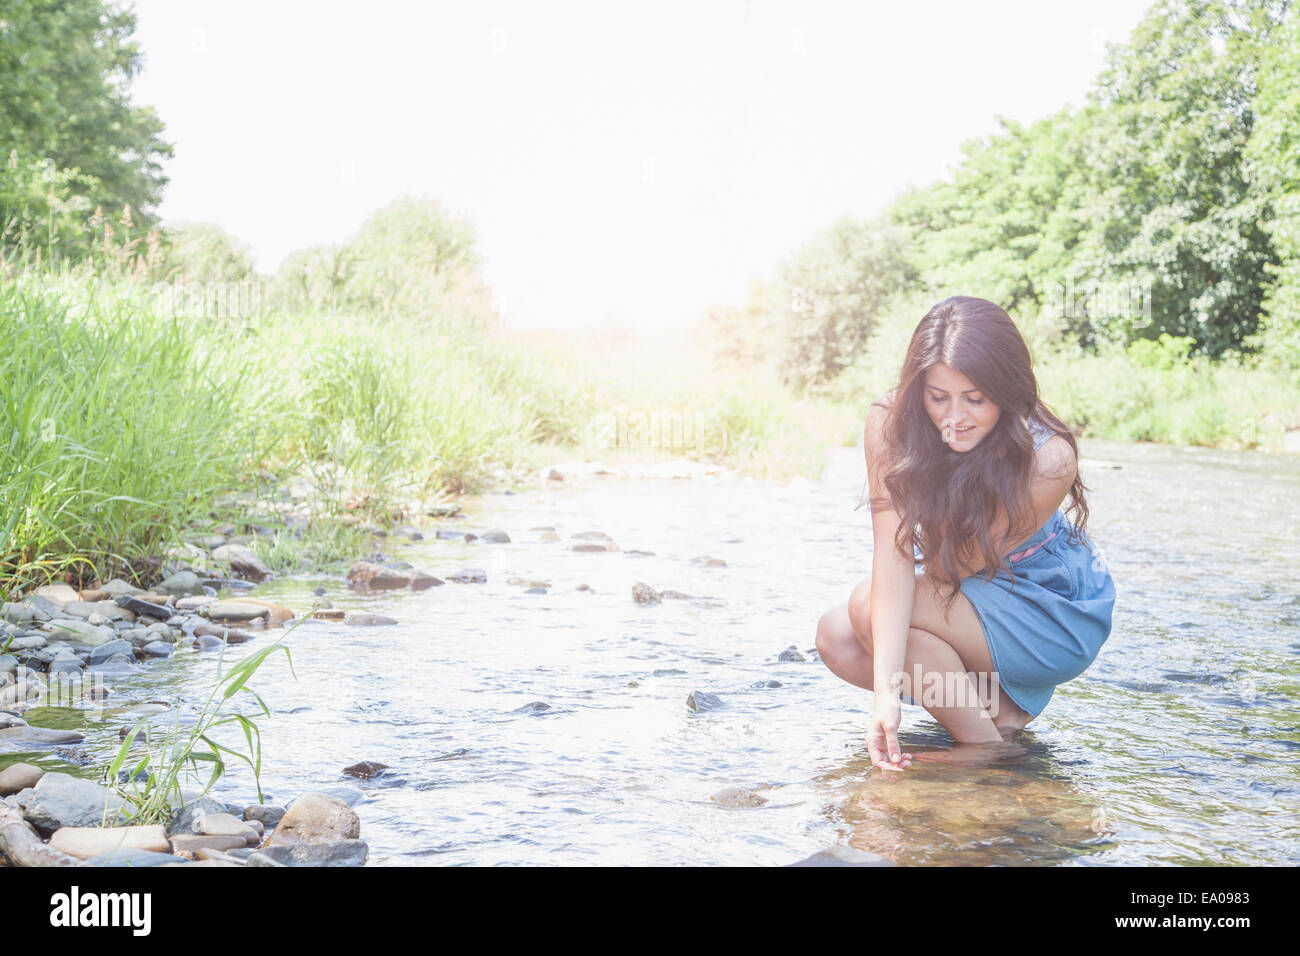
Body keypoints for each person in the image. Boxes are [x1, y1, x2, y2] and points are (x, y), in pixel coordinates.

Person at [815, 296, 1116, 772]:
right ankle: (995, 714)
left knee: (865, 608)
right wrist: (885, 699)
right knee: (837, 635)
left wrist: (945, 464)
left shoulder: (1049, 459)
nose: (955, 418)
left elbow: (949, 566)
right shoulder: (890, 424)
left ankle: (985, 754)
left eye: (975, 399)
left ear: (1007, 389)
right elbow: (892, 557)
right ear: (919, 391)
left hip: (1051, 607)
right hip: (968, 595)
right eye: (938, 397)